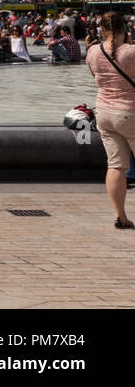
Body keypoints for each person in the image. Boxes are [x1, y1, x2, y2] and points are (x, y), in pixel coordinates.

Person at [85, 12, 135, 229]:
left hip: (104, 112)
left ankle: (120, 216)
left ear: (101, 30)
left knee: (115, 166)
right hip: (131, 111)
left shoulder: (93, 51)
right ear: (125, 29)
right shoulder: (132, 52)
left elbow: (96, 77)